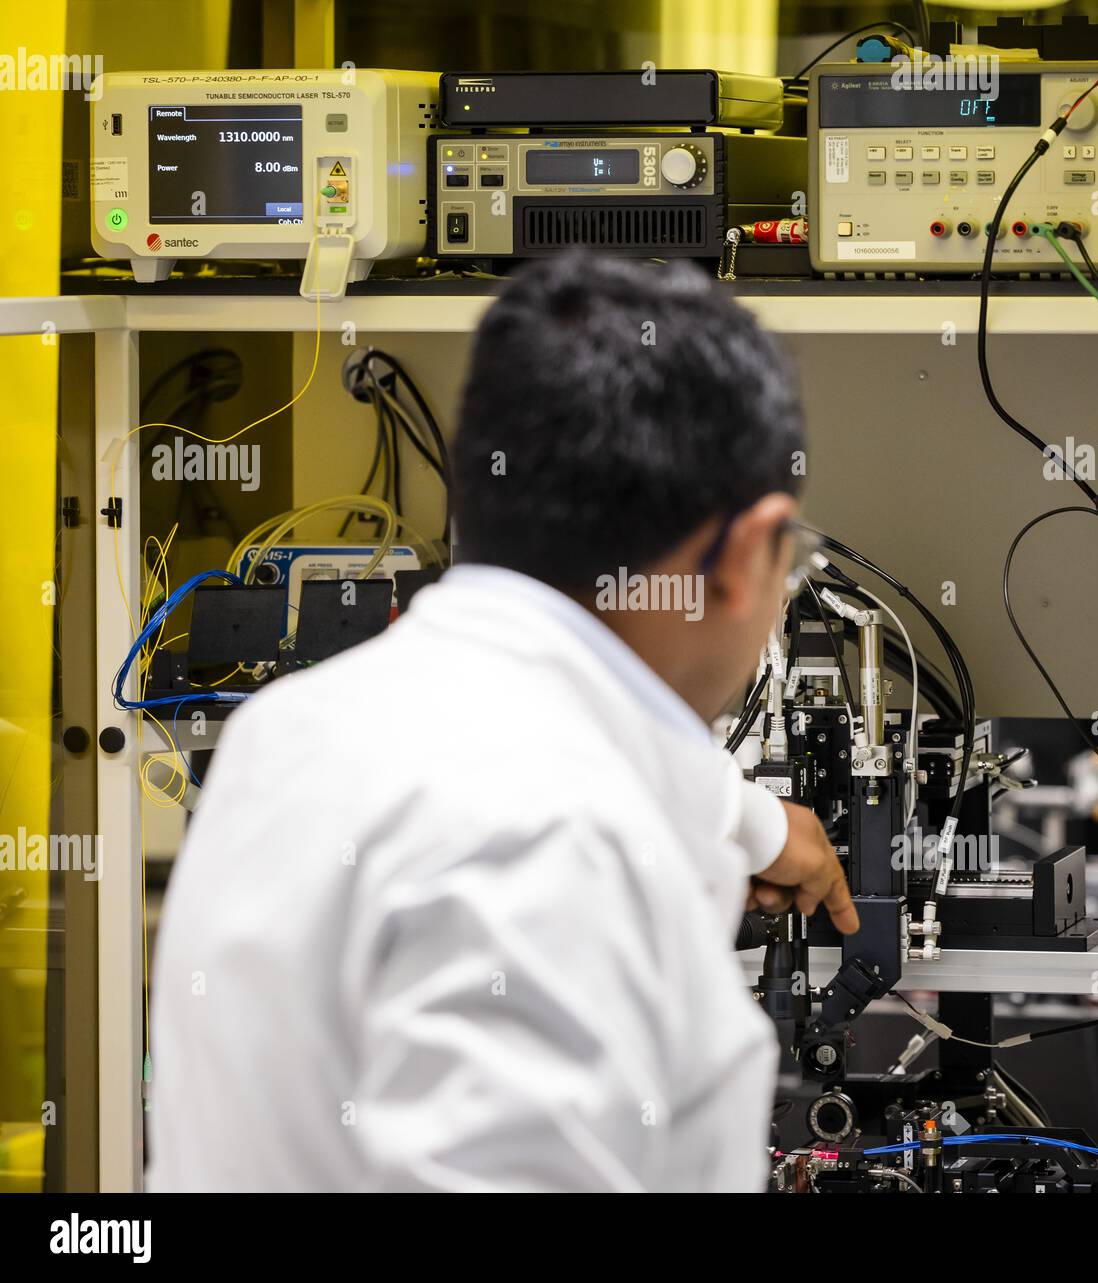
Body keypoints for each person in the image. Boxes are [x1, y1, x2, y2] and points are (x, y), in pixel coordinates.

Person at [148, 254, 858, 1192]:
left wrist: (756, 825)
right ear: (741, 555)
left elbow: (548, 729)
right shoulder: (552, 838)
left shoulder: (287, 731)